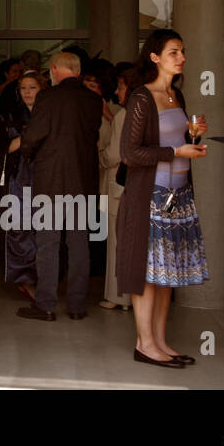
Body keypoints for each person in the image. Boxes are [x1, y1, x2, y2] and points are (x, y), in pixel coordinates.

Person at [116, 29, 209, 369]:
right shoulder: (142, 97)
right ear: (155, 57)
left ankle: (160, 341)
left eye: (182, 51)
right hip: (151, 196)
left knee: (168, 275)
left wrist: (191, 136)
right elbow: (130, 153)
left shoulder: (176, 95)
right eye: (174, 52)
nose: (181, 57)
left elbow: (172, 138)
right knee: (148, 274)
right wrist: (176, 150)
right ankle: (144, 344)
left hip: (178, 196)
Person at [16, 52, 102, 321]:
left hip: (50, 181)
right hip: (83, 181)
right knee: (79, 245)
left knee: (48, 244)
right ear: (76, 71)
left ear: (54, 70)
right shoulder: (93, 100)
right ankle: (77, 307)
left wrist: (28, 152)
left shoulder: (48, 97)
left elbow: (34, 135)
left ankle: (46, 304)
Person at [0, 72, 44, 301]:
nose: (28, 92)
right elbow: (5, 149)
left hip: (45, 178)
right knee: (20, 229)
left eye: (32, 87)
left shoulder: (49, 114)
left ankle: (42, 278)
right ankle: (25, 279)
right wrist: (30, 135)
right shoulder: (11, 116)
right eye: (23, 88)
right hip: (19, 178)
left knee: (43, 231)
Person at [98, 68, 137, 311]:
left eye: (120, 86)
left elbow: (114, 155)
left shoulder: (124, 114)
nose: (116, 91)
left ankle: (118, 296)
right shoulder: (146, 111)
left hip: (118, 183)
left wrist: (99, 156)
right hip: (139, 184)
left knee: (117, 241)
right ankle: (133, 296)